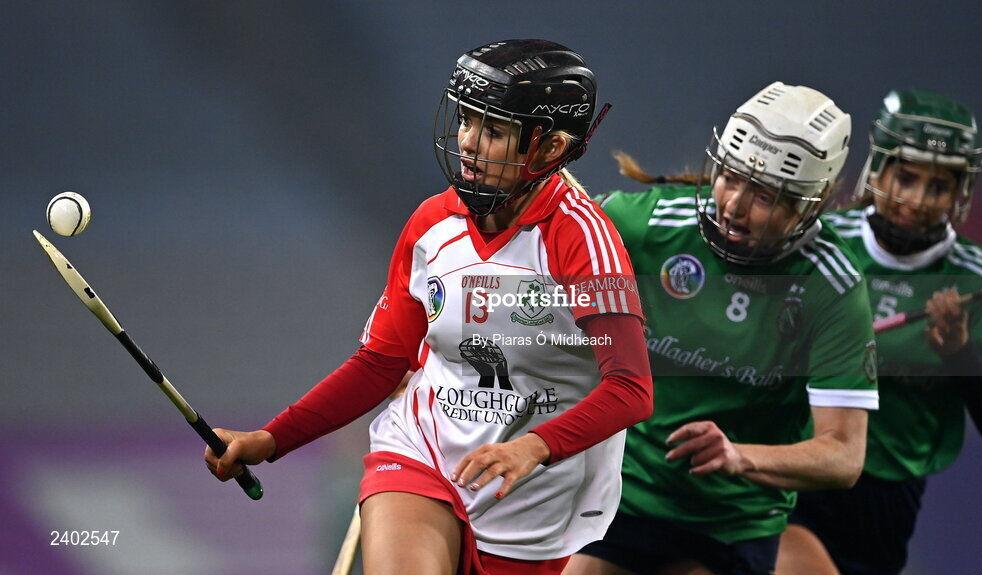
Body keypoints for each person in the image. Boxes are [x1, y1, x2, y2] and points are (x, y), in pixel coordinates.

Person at [203, 39, 654, 575]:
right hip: (422, 454)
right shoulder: (431, 224)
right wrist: (271, 438)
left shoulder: (580, 241)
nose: (467, 141)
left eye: (493, 130)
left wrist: (531, 448)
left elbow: (630, 389)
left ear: (551, 147)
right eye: (466, 120)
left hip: (534, 497)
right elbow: (381, 362)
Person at [564, 82, 879, 575]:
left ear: (809, 206)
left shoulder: (833, 288)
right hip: (621, 499)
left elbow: (843, 456)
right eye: (729, 178)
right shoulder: (648, 226)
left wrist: (740, 457)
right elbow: (522, 265)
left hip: (734, 522)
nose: (731, 205)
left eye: (763, 196)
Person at [776, 90, 982, 575]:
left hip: (886, 501)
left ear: (960, 193)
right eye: (906, 178)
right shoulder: (817, 243)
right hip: (791, 471)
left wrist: (959, 353)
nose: (918, 200)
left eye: (939, 187)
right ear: (878, 170)